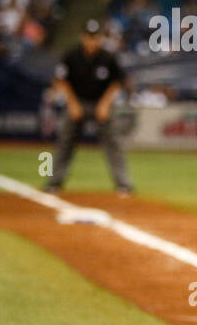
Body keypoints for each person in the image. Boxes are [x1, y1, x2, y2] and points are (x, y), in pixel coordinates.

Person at [45, 19, 133, 196]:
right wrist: (72, 104)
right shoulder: (71, 55)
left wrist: (105, 104)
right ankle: (53, 182)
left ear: (100, 38)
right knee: (65, 141)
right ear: (83, 37)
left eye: (95, 37)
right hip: (78, 102)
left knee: (113, 142)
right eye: (89, 37)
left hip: (101, 103)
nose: (92, 40)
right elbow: (60, 80)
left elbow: (118, 82)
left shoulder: (108, 57)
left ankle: (123, 184)